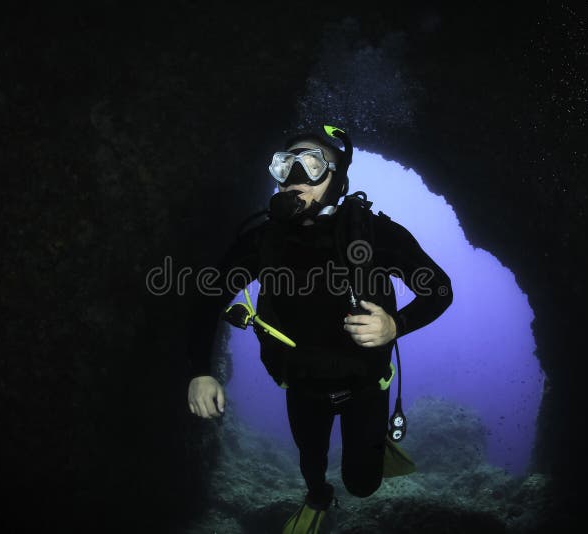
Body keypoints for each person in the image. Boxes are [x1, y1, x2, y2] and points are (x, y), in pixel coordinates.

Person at [186, 125, 453, 533]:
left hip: (365, 385)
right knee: (311, 464)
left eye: (311, 165)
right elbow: (208, 297)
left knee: (362, 485)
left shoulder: (374, 235)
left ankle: (373, 448)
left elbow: (439, 289)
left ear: (338, 181)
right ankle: (318, 497)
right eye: (284, 165)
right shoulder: (262, 242)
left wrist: (395, 325)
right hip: (301, 386)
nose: (295, 177)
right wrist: (200, 372)